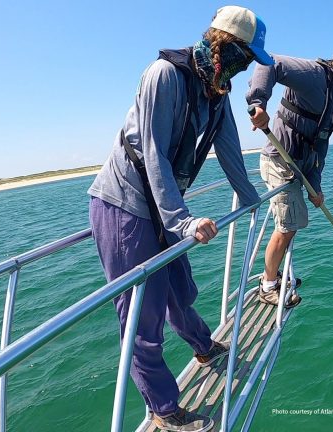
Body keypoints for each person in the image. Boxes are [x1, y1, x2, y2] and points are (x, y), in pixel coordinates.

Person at [87, 6, 273, 432]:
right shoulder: (164, 75)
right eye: (246, 57)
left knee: (180, 289)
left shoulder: (218, 89)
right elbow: (152, 155)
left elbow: (228, 149)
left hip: (165, 207)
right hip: (125, 207)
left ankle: (203, 346)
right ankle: (165, 410)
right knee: (143, 317)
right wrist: (184, 221)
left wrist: (251, 199)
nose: (247, 69)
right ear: (225, 45)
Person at [247, 46, 333, 308]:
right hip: (279, 162)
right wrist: (258, 103)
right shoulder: (315, 75)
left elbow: (320, 146)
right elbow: (269, 63)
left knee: (291, 224)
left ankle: (273, 273)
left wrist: (315, 186)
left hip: (298, 169)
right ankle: (268, 285)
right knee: (288, 226)